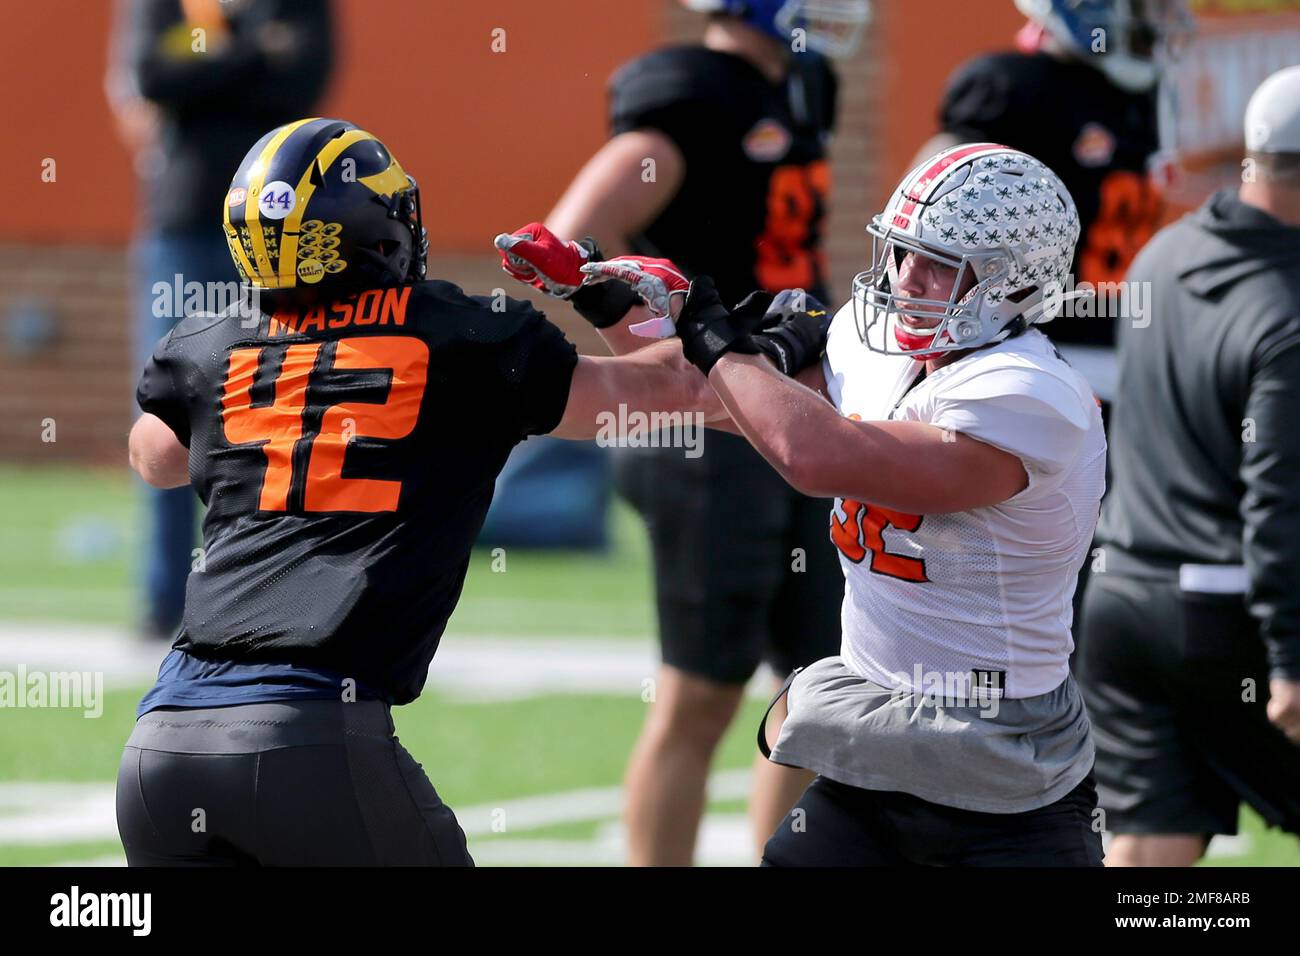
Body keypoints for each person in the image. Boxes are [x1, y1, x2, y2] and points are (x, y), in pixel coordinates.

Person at [116, 117, 819, 865]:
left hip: (161, 748)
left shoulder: (214, 343)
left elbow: (153, 455)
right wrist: (657, 315)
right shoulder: (457, 337)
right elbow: (664, 395)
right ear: (377, 233)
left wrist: (297, 402)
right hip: (309, 740)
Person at [503, 143, 1109, 866]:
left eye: (939, 263)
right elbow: (704, 393)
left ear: (1015, 284)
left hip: (1000, 767)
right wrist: (610, 303)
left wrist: (711, 330)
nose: (907, 278)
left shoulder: (1032, 394)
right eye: (903, 253)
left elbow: (817, 456)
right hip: (869, 750)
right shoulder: (879, 342)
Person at [542, 0, 869, 865]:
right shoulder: (692, 91)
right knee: (702, 694)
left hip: (792, 411)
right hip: (706, 435)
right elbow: (574, 236)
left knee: (819, 685)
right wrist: (668, 364)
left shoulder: (801, 81)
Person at [1076, 66, 1300, 867]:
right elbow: (1281, 500)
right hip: (1233, 617)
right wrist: (1291, 659)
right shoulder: (1289, 308)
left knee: (1146, 859)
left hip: (1123, 602)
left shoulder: (1163, 255)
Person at [108, 0, 335, 640]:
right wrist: (250, 45)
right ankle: (164, 602)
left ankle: (281, 599)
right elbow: (153, 77)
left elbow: (302, 83)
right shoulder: (168, 4)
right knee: (170, 412)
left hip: (281, 236)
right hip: (183, 224)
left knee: (285, 406)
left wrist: (209, 58)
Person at [915, 0, 1192, 398]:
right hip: (1032, 347)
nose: (1151, 24)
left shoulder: (1147, 96)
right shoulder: (1017, 87)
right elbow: (925, 206)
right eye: (1139, 8)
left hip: (1118, 341)